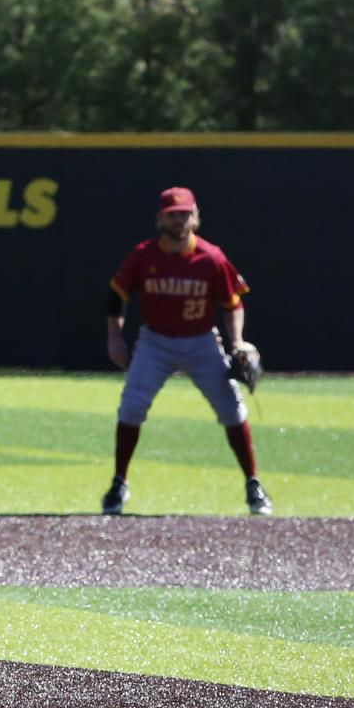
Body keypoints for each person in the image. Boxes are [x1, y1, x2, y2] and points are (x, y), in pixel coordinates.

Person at [102, 186, 272, 516]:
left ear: (195, 218)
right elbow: (116, 295)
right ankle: (119, 483)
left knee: (231, 409)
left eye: (184, 214)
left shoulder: (211, 258)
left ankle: (254, 484)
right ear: (160, 219)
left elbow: (232, 303)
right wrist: (114, 337)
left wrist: (236, 340)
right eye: (172, 214)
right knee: (131, 409)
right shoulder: (143, 255)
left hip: (200, 341)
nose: (178, 220)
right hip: (156, 341)